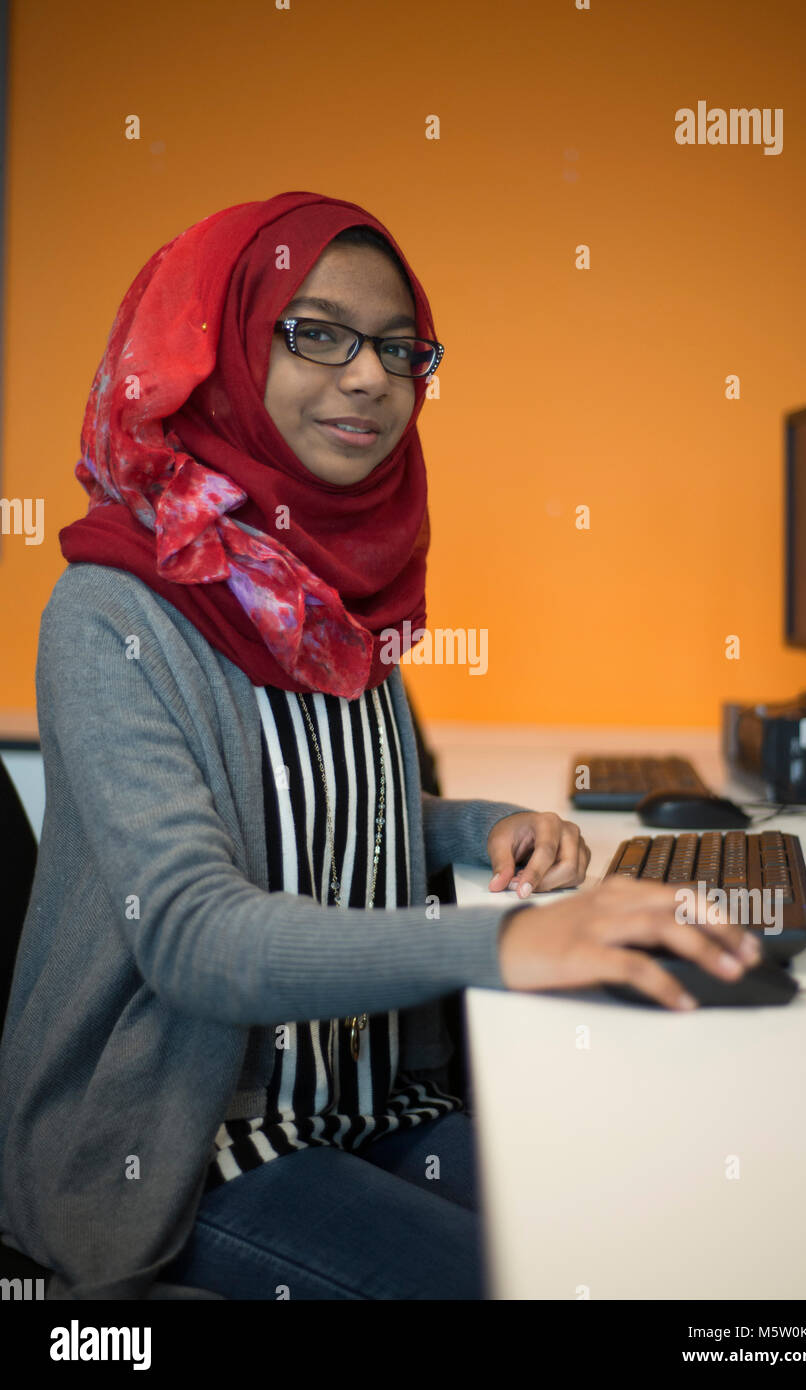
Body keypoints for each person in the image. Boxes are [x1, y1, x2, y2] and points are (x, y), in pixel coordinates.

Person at [0, 191, 761, 1301]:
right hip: (189, 1156)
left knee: (657, 1233)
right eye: (317, 332)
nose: (371, 377)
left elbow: (330, 823)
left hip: (371, 1108)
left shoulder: (335, 598)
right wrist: (507, 947)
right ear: (217, 352)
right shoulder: (109, 614)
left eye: (401, 349)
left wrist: (479, 827)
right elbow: (188, 934)